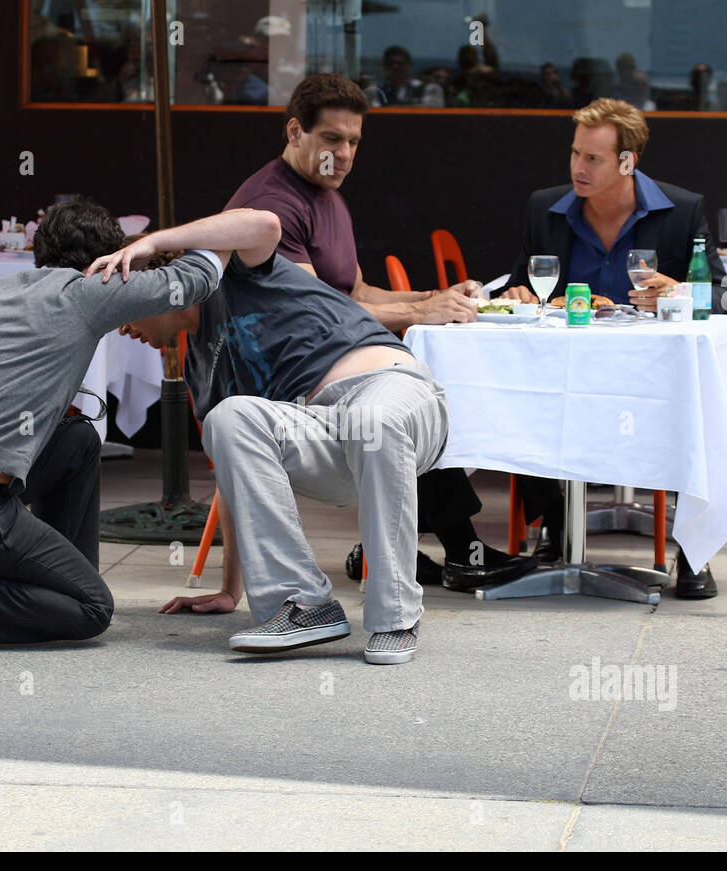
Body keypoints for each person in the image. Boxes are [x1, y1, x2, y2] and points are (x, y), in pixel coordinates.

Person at [0, 200, 279, 654]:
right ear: (108, 260)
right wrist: (223, 231)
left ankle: (55, 575)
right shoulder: (88, 292)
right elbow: (198, 279)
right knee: (91, 609)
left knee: (78, 438)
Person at [223, 72, 536, 592]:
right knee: (402, 389)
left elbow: (358, 291)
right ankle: (455, 549)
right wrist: (421, 314)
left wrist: (434, 299)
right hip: (286, 383)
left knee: (410, 383)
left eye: (353, 142)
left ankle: (404, 547)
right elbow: (317, 313)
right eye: (331, 139)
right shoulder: (274, 206)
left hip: (329, 364)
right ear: (295, 131)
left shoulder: (324, 192)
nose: (344, 154)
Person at [103, 237, 448, 665]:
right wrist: (232, 591)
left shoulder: (240, 276)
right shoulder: (200, 368)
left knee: (370, 419)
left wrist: (152, 242)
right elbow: (236, 476)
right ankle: (304, 604)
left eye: (124, 309)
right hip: (328, 443)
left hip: (393, 395)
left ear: (159, 287)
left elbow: (262, 221)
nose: (122, 327)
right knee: (227, 419)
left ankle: (395, 616)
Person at [500, 97, 727, 598]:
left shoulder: (680, 209)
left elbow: (726, 299)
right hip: (567, 371)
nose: (578, 168)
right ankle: (556, 528)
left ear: (628, 161)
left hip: (650, 378)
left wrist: (679, 291)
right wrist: (518, 295)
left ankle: (694, 550)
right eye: (575, 153)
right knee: (520, 386)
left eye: (593, 158)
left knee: (701, 404)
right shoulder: (546, 208)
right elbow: (520, 287)